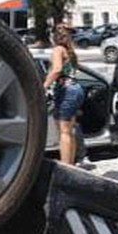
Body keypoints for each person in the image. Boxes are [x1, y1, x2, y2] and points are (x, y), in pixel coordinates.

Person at [42, 22, 86, 166]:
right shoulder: (70, 51)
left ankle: (65, 165)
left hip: (66, 90)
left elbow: (57, 69)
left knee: (64, 131)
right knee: (69, 130)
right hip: (75, 88)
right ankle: (70, 163)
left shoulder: (58, 50)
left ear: (53, 37)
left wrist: (44, 86)